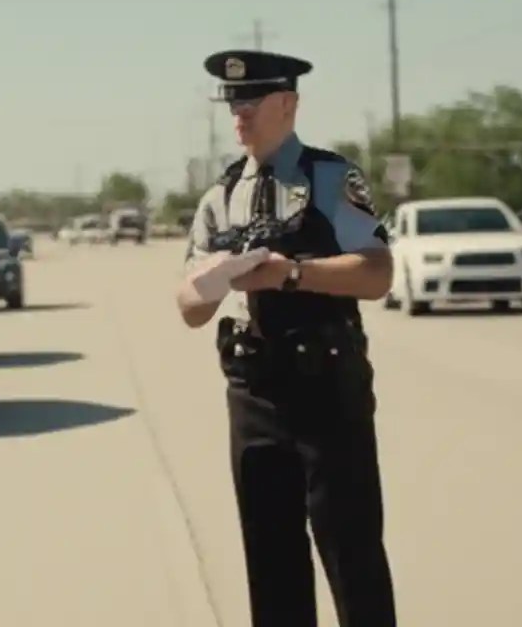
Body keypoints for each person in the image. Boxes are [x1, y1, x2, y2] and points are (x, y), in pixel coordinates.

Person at [176, 49, 398, 626]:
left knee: (352, 558)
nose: (239, 116)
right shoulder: (220, 196)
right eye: (233, 105)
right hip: (255, 394)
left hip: (328, 388)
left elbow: (378, 273)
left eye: (251, 103)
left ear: (288, 104)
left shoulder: (330, 178)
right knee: (271, 565)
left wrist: (292, 273)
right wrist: (212, 281)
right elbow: (189, 308)